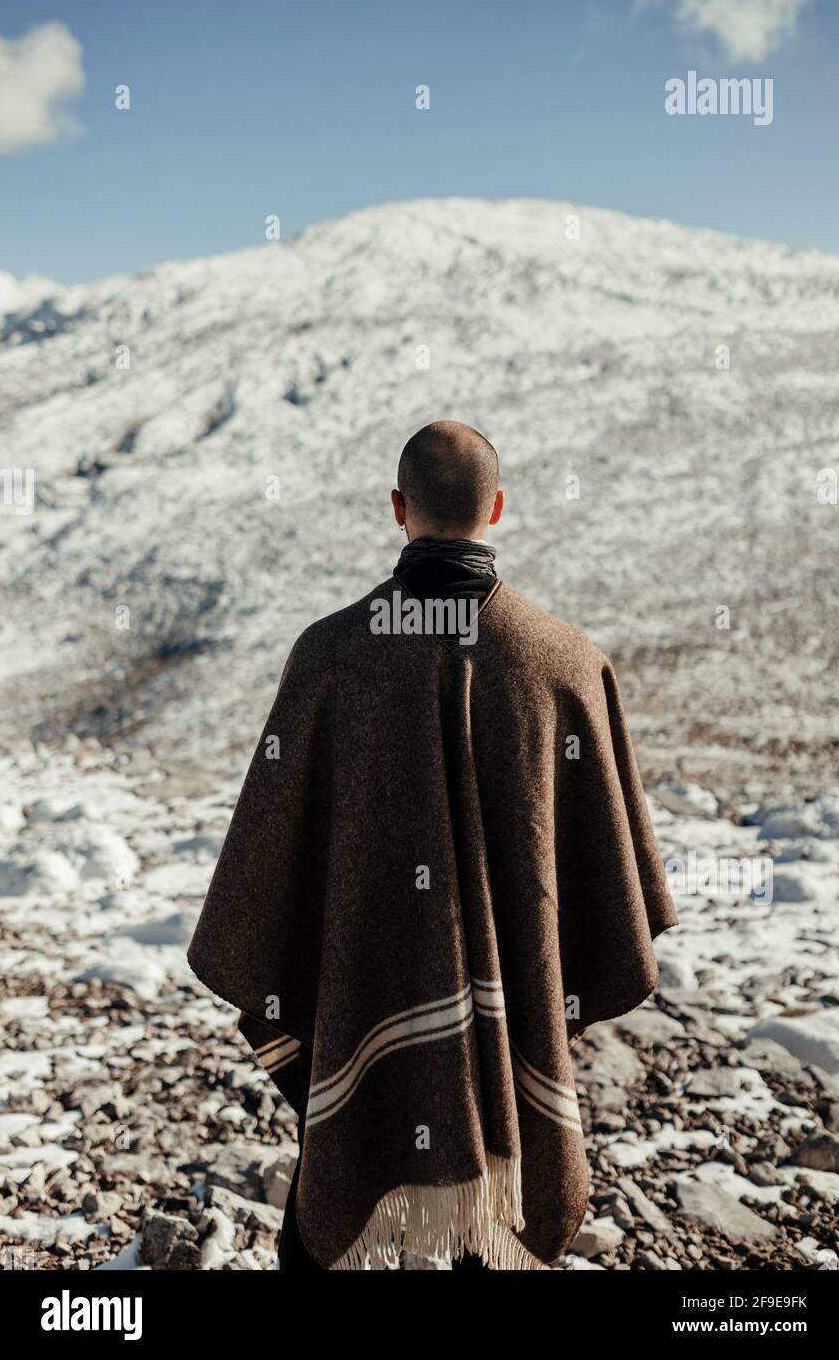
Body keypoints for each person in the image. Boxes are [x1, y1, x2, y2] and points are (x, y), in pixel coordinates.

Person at [188, 420, 678, 1271]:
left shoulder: (329, 656)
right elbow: (613, 895)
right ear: (496, 507)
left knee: (324, 1232)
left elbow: (265, 881)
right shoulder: (566, 663)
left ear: (397, 508)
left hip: (362, 1016)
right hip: (514, 1043)